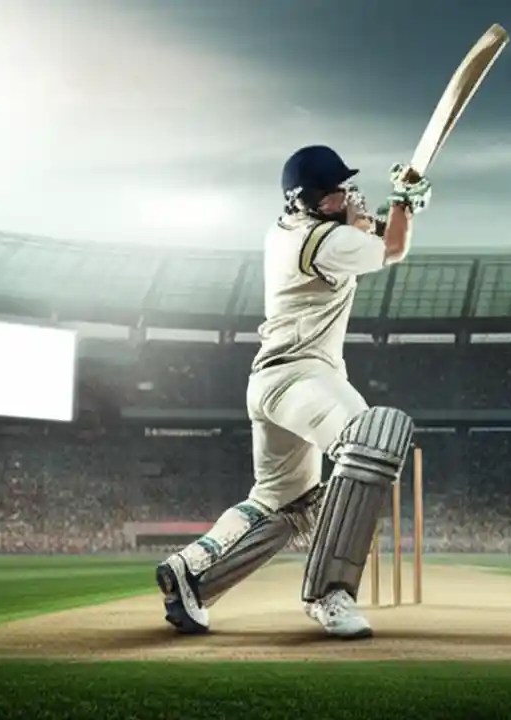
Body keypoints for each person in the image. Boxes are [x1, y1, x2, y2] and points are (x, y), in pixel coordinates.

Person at [155, 145, 432, 639]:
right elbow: (392, 249)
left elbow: (358, 238)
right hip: (301, 377)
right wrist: (403, 204)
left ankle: (192, 574)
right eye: (333, 193)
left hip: (271, 382)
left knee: (288, 505)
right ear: (307, 201)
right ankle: (331, 593)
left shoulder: (284, 230)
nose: (344, 196)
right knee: (372, 438)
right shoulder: (321, 241)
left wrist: (366, 219)